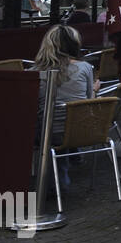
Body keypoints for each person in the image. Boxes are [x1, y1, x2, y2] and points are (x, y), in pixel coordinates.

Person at [34, 25, 95, 186]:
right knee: (69, 118)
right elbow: (89, 100)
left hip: (46, 134)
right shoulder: (85, 68)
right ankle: (72, 161)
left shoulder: (34, 73)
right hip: (83, 131)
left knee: (50, 122)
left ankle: (54, 177)